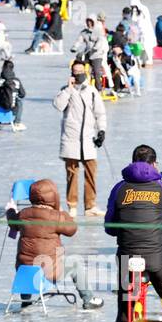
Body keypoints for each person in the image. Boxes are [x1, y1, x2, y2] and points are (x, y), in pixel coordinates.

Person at [103, 144, 162, 322]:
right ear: (154, 164)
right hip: (155, 258)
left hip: (127, 256)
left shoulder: (119, 188)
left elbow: (109, 226)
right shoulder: (161, 188)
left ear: (132, 162)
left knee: (126, 286)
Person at [6, 178, 103, 310]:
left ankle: (26, 300)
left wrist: (10, 210)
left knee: (28, 258)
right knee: (75, 263)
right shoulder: (55, 216)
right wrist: (62, 212)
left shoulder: (23, 214)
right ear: (53, 197)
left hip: (24, 273)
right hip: (47, 273)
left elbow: (12, 221)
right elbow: (72, 229)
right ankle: (89, 298)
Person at [53, 61, 106, 217]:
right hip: (71, 138)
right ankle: (72, 205)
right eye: (75, 72)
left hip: (88, 138)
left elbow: (100, 113)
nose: (79, 74)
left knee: (91, 172)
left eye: (81, 71)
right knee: (72, 173)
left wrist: (102, 131)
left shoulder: (91, 91)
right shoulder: (66, 91)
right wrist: (69, 89)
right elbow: (58, 105)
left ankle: (90, 206)